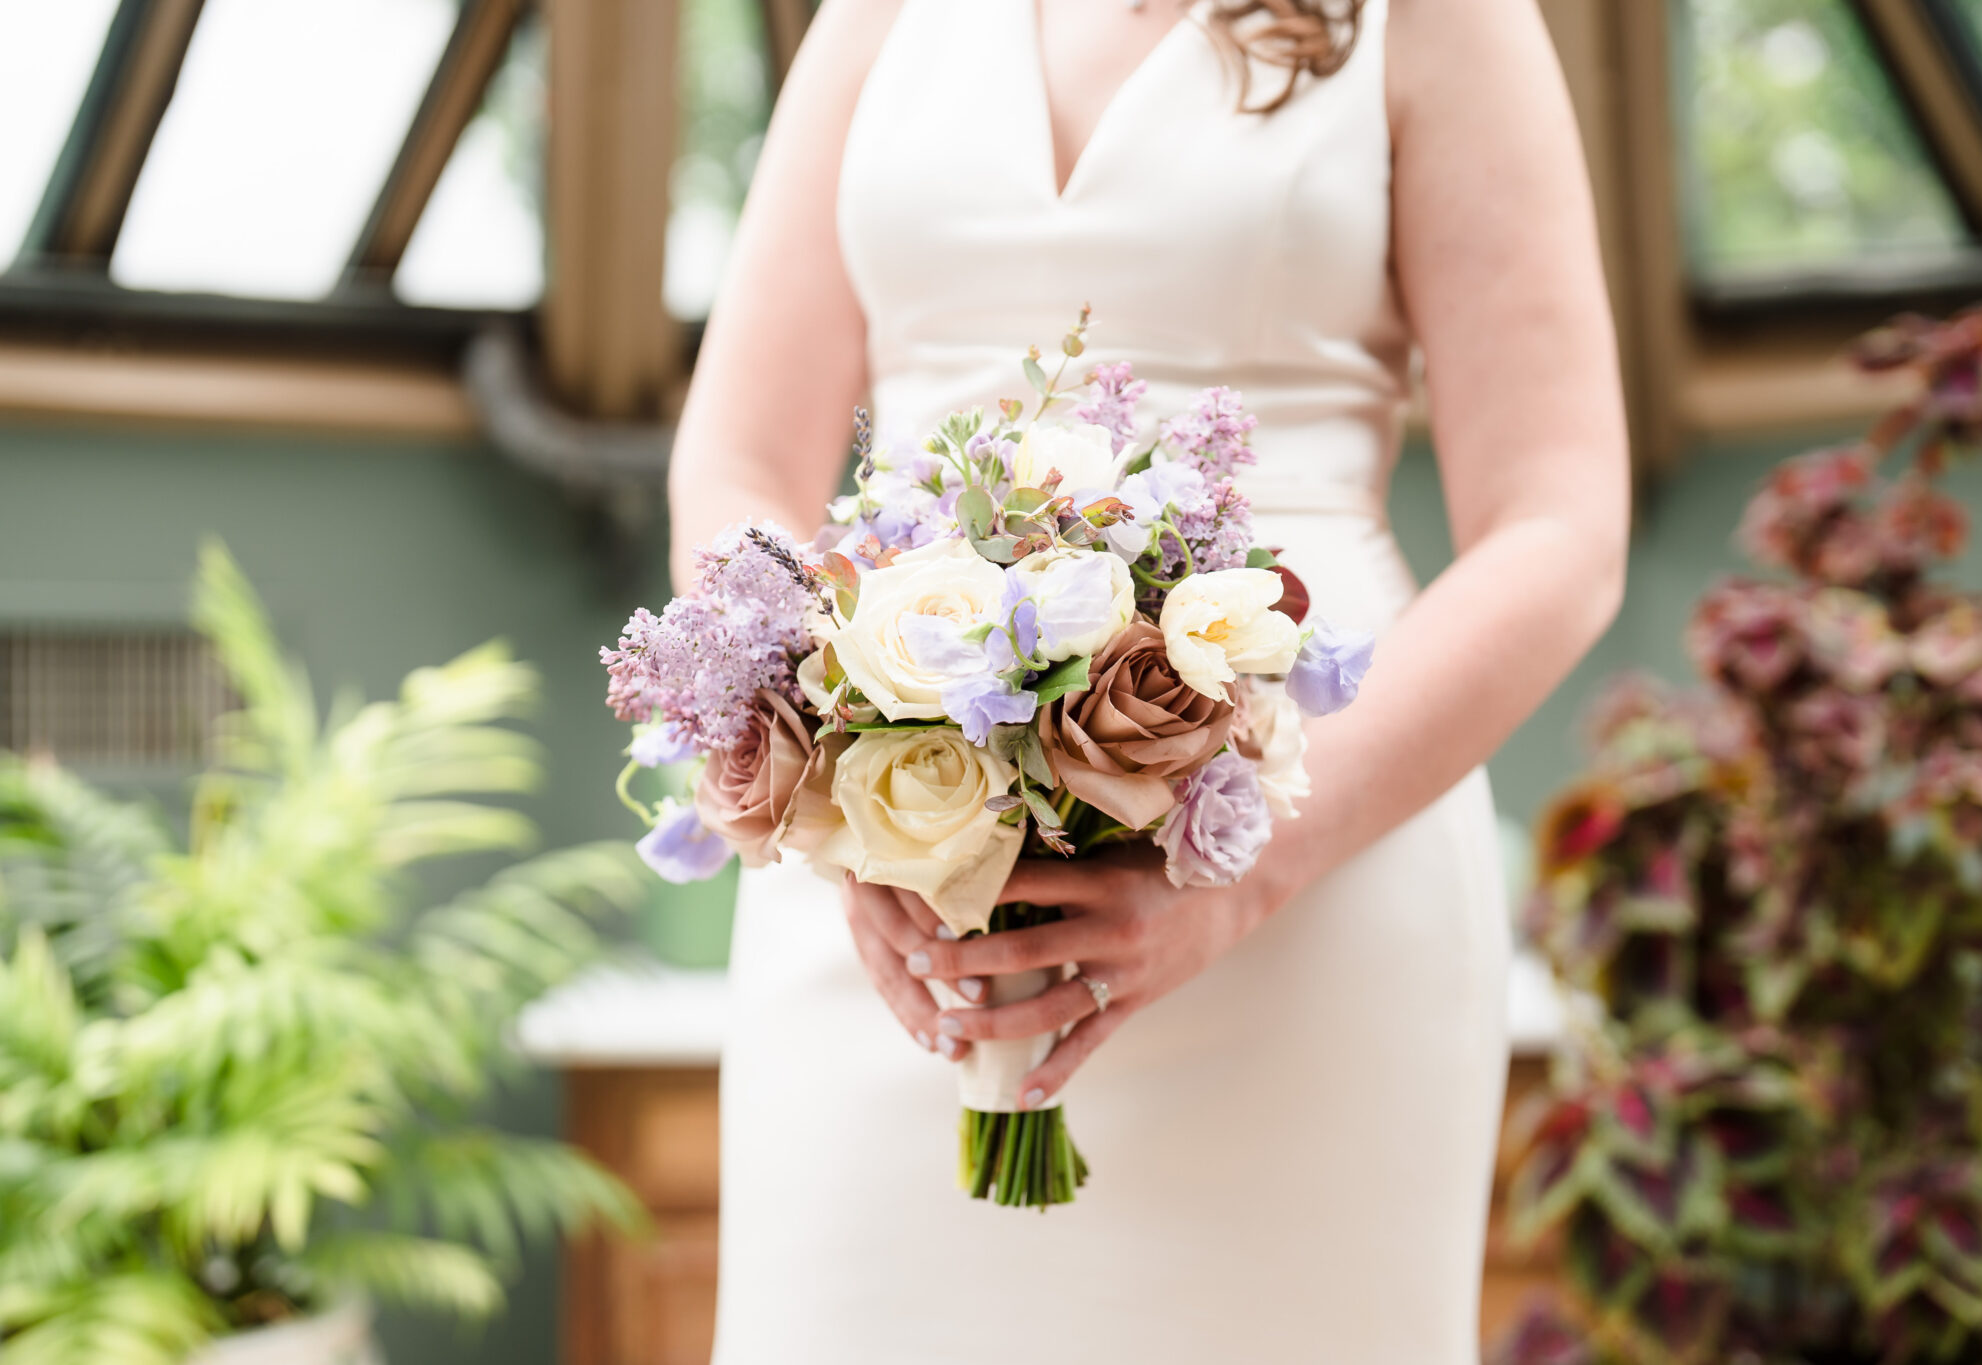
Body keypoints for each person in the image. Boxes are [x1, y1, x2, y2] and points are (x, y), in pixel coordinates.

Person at [667, 0, 1628, 1358]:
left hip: (1311, 863)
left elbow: (1560, 524)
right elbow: (738, 468)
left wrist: (1254, 871)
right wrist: (838, 801)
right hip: (889, 899)